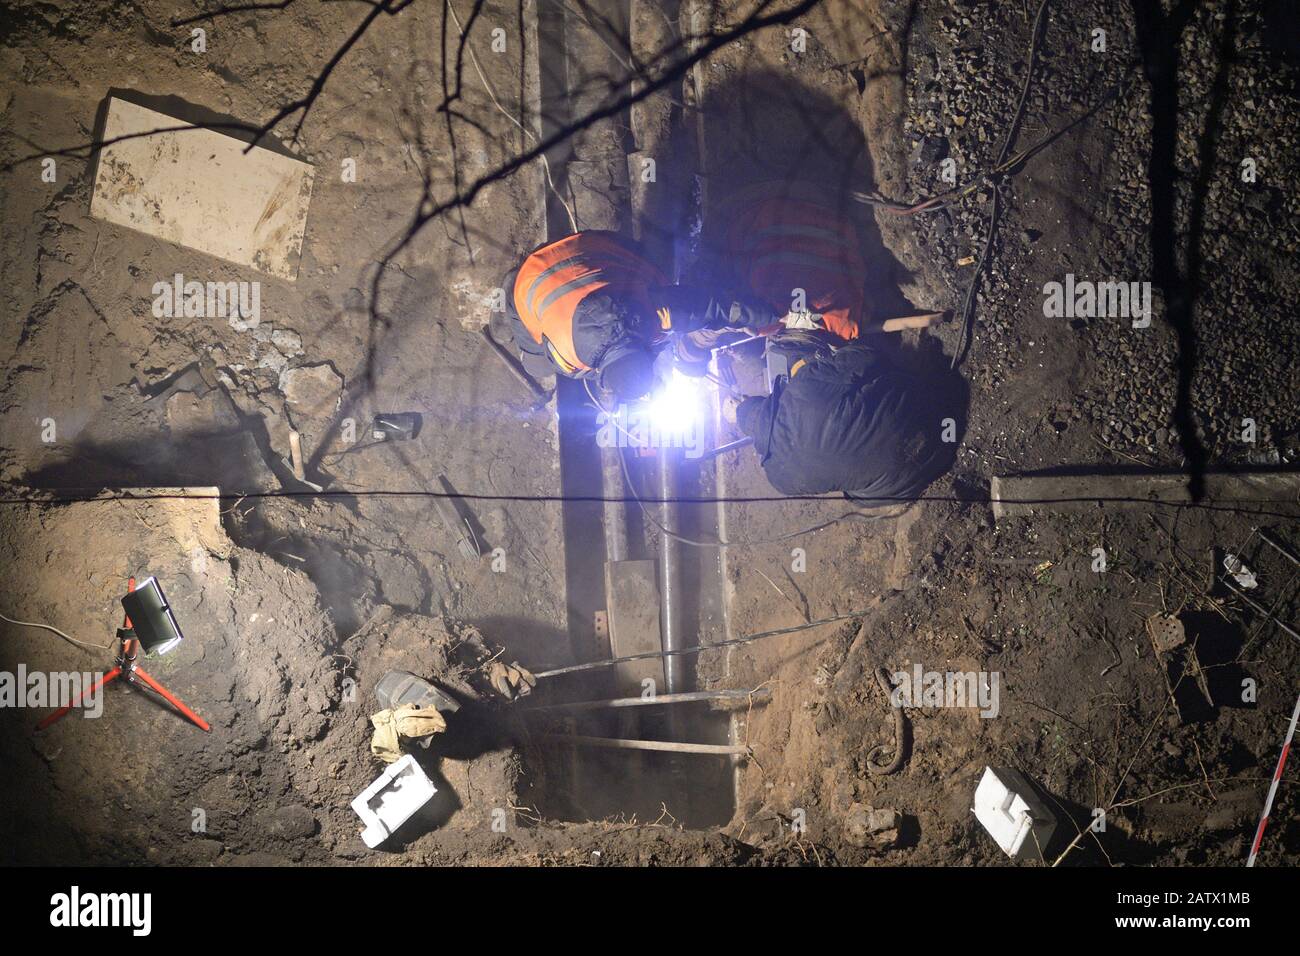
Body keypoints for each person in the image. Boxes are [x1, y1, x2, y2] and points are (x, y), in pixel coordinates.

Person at [493, 230, 776, 401]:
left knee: (660, 274)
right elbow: (594, 372)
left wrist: (770, 315)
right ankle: (510, 286)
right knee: (536, 367)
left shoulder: (648, 313)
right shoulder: (568, 360)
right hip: (543, 271)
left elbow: (716, 306)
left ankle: (512, 285)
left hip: (586, 248)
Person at [729, 336, 961, 504]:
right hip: (937, 413)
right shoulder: (801, 389)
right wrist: (821, 366)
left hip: (910, 483)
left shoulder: (778, 479)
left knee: (852, 491)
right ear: (764, 402)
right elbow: (867, 356)